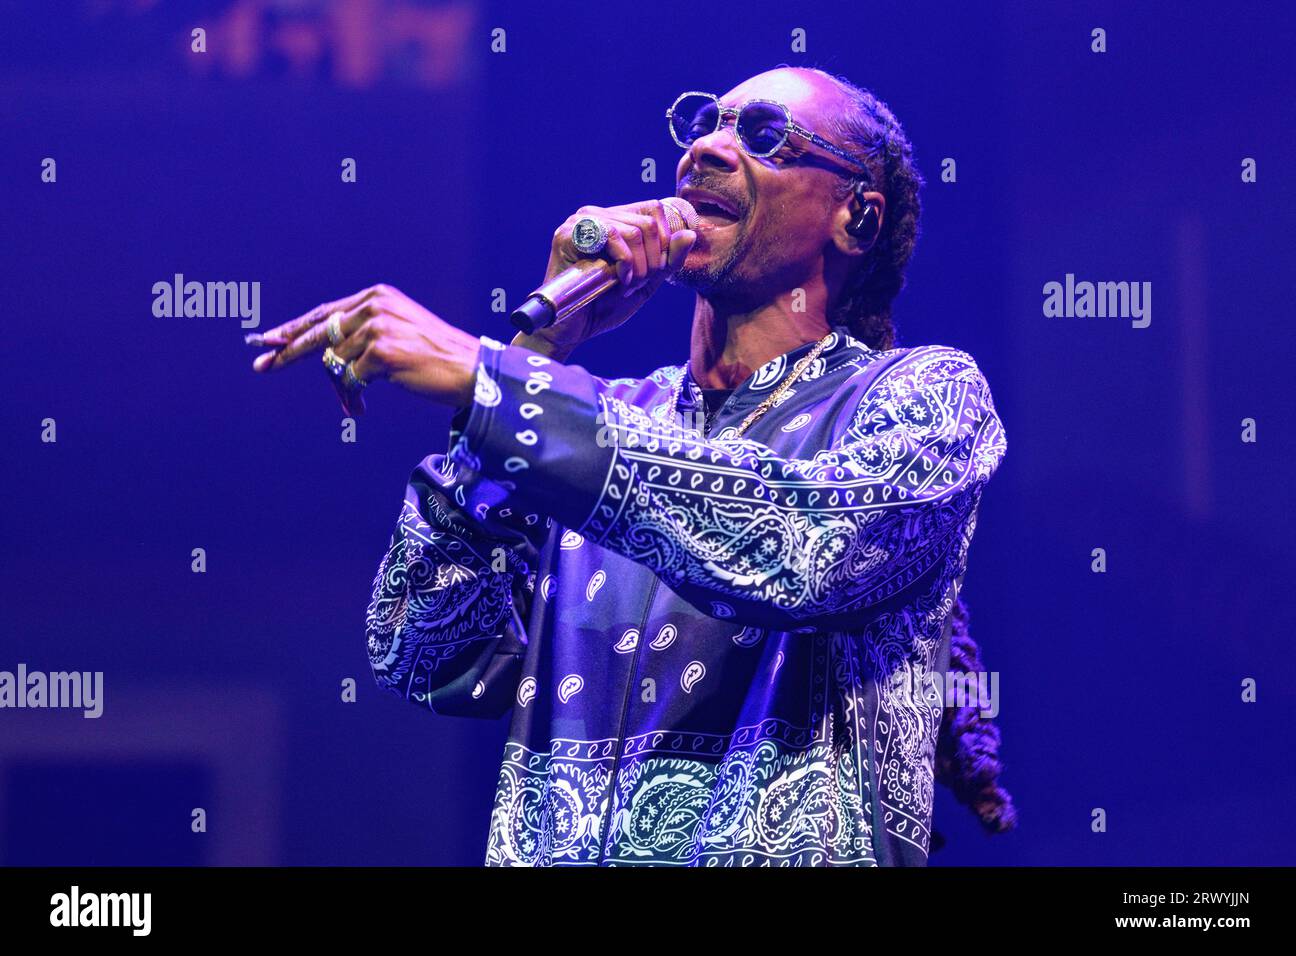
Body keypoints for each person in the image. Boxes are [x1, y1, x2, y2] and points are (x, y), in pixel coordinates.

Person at [252, 65, 1015, 865]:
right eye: (702, 125)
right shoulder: (589, 419)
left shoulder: (925, 397)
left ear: (856, 216)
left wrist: (495, 383)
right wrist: (534, 351)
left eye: (761, 136)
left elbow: (804, 552)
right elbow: (424, 652)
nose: (707, 151)